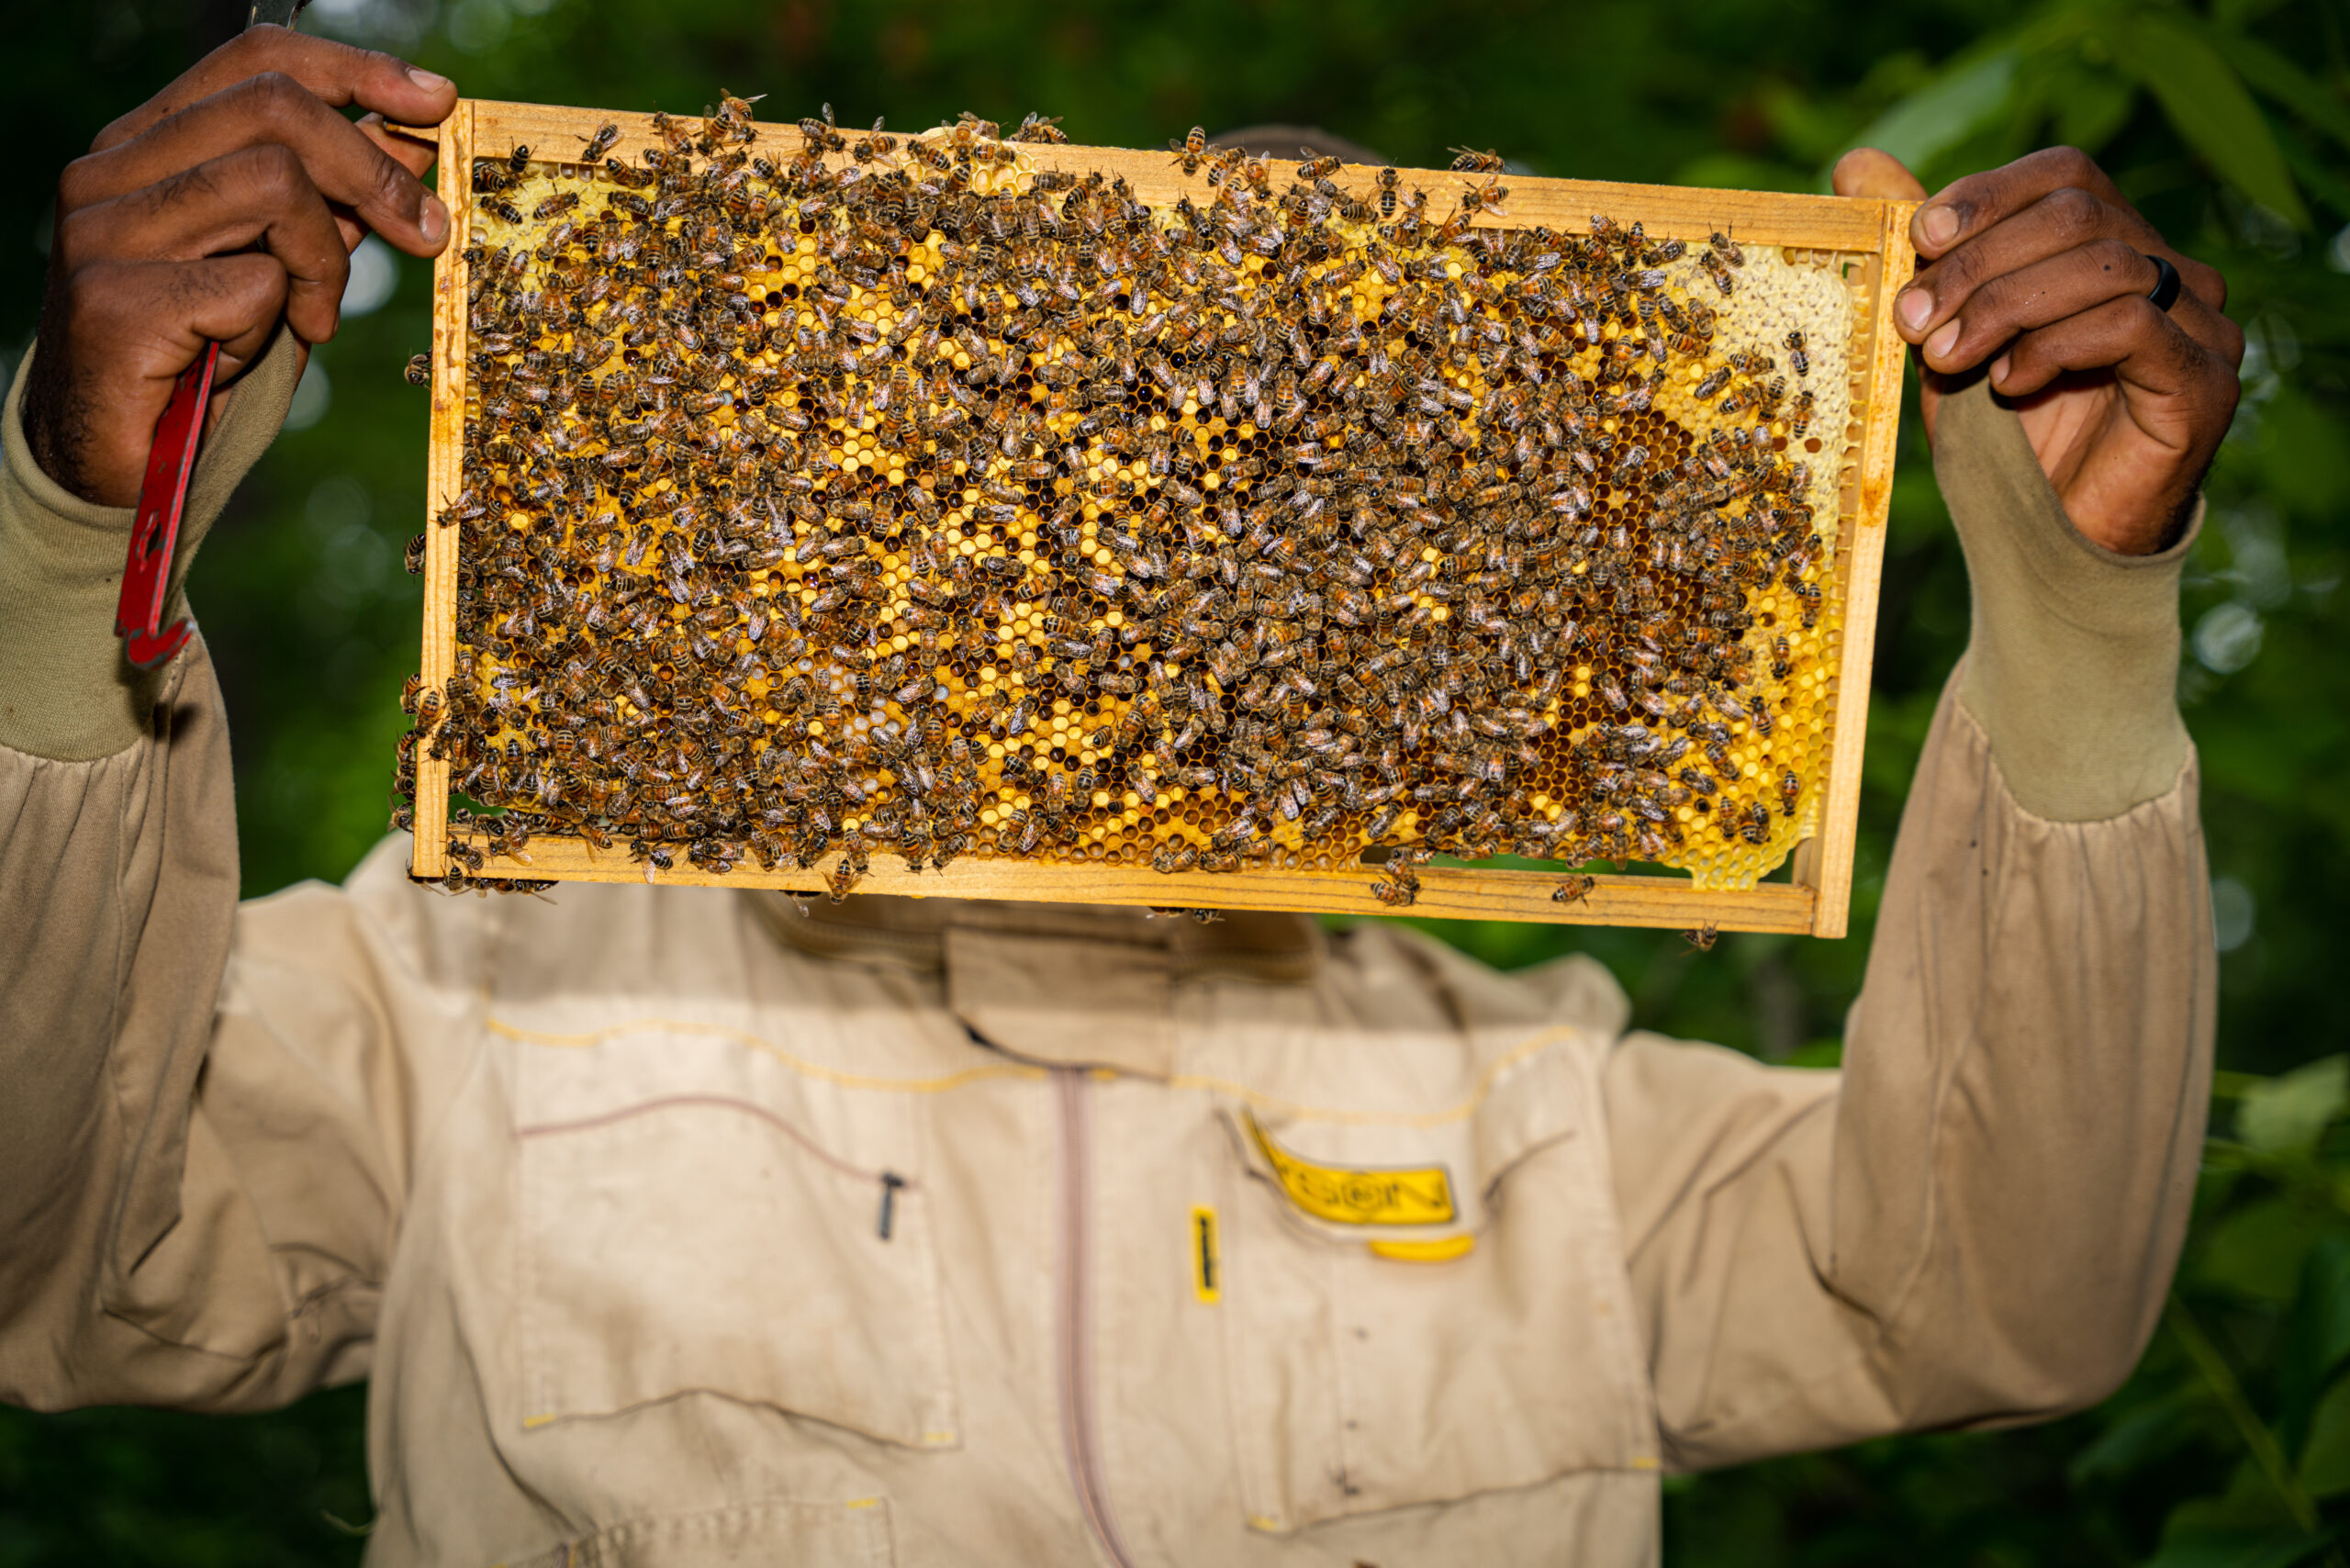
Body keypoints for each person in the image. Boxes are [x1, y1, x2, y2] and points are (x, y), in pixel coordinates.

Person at [0, 28, 2238, 1568]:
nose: (1229, 506)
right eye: (1140, 389)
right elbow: (53, 1261)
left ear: (1468, 588)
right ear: (960, 428)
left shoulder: (1539, 1103)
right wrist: (79, 539)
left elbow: (2000, 1302)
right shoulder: (473, 980)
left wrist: (2070, 617)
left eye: (1357, 450)